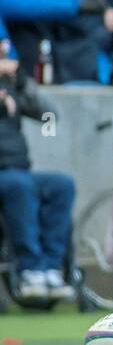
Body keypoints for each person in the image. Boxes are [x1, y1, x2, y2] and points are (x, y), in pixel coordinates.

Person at [0, 55, 75, 302]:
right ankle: (31, 268)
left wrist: (21, 82)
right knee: (18, 186)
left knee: (62, 185)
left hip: (17, 170)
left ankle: (51, 268)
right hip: (9, 179)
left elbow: (49, 118)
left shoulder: (11, 86)